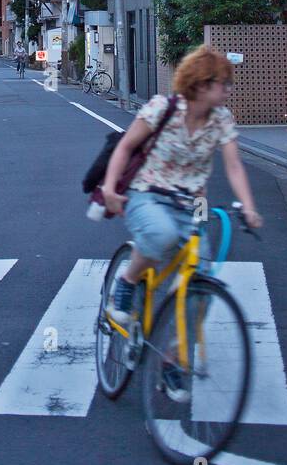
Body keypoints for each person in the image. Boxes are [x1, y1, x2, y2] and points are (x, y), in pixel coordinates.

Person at [101, 44, 263, 401]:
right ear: (202, 84)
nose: (229, 90)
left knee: (201, 283)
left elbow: (234, 166)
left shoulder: (221, 120)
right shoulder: (162, 108)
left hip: (189, 205)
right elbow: (125, 147)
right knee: (160, 234)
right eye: (223, 83)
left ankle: (172, 359)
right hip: (147, 194)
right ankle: (127, 282)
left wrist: (249, 207)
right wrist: (110, 188)